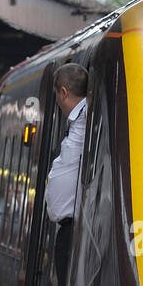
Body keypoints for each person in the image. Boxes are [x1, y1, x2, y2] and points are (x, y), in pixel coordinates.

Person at [43, 63, 88, 223]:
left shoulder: (86, 117)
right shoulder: (79, 119)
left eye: (56, 93)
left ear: (63, 93)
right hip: (70, 225)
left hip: (73, 227)